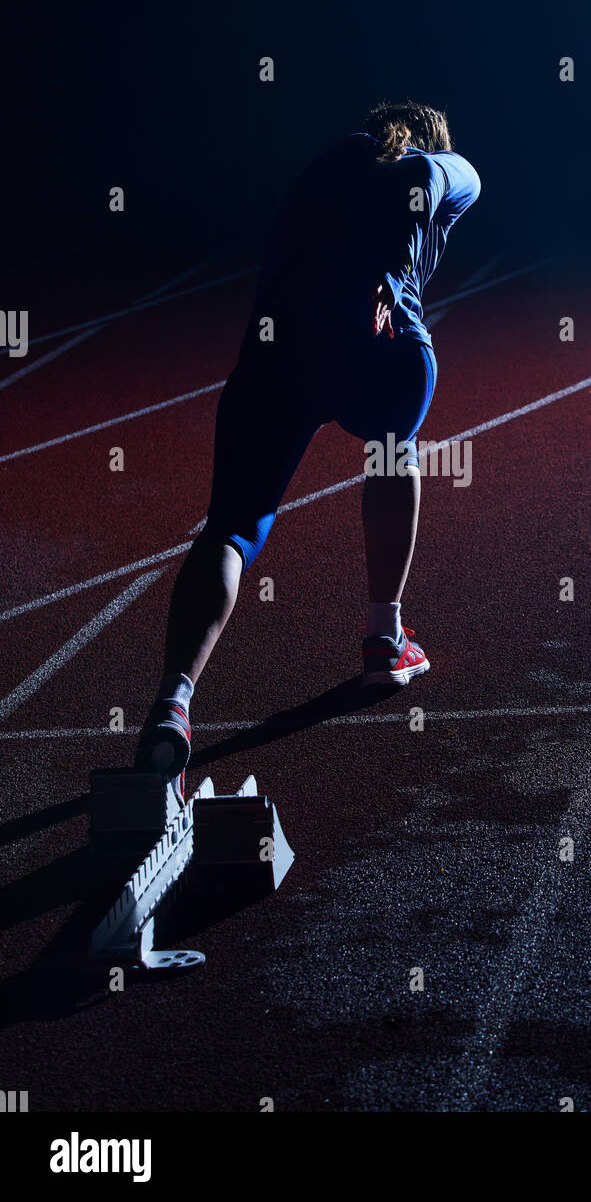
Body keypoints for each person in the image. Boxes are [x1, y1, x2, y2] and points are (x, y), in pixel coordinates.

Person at [134, 101, 481, 805]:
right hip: (383, 354)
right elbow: (433, 177)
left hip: (279, 360)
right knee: (393, 451)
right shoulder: (435, 163)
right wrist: (393, 265)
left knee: (231, 526)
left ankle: (173, 701)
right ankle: (385, 637)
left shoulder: (321, 168)